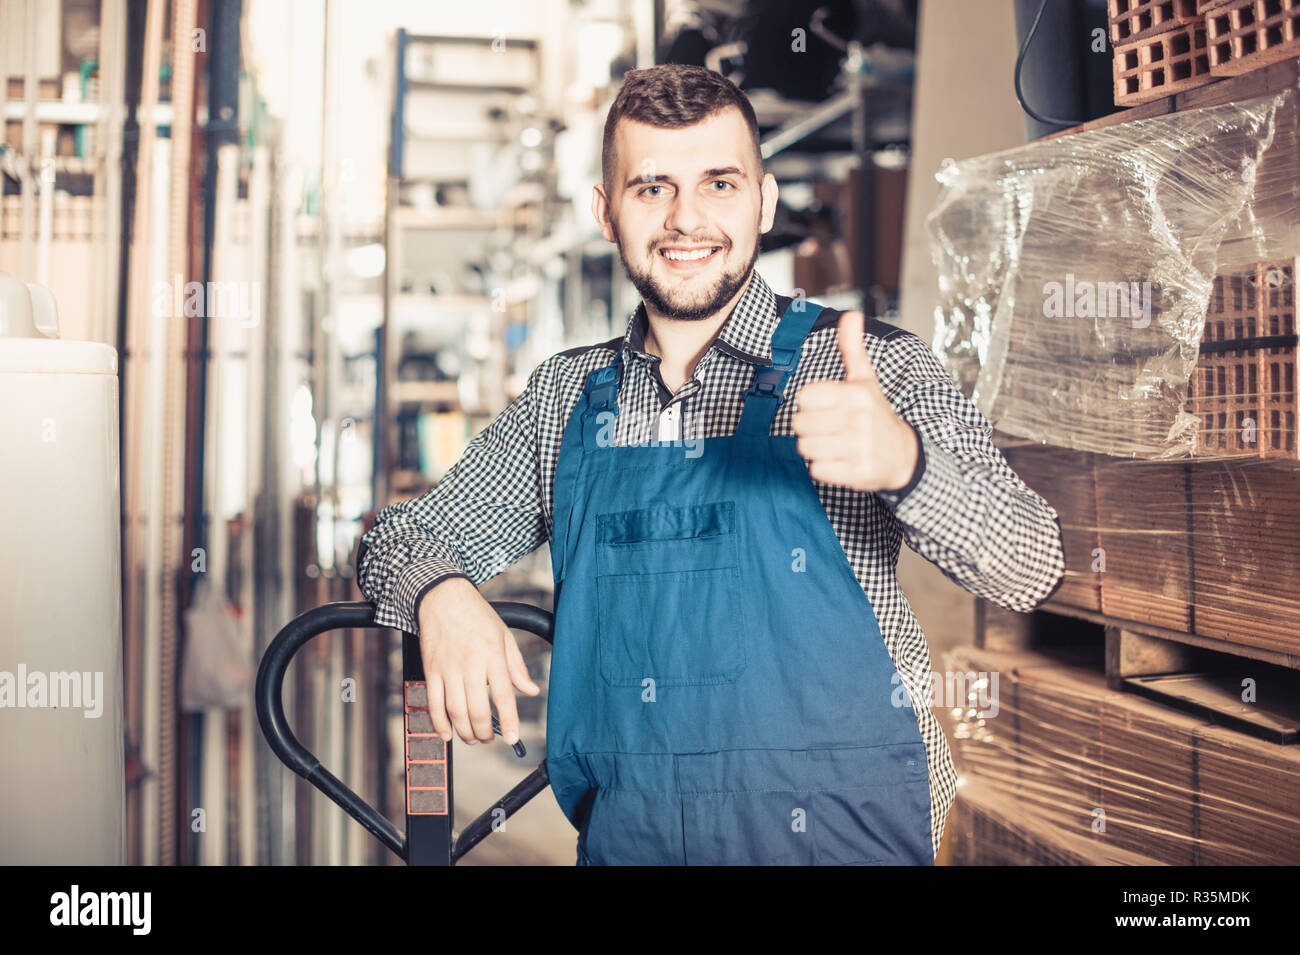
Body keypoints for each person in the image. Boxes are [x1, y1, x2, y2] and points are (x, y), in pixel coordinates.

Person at [356, 63, 1065, 865]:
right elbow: (400, 536)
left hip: (846, 843)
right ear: (605, 210)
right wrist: (441, 594)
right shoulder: (566, 399)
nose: (686, 219)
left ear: (763, 201)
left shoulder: (872, 369)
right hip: (635, 843)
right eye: (651, 187)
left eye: (719, 183)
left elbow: (1030, 565)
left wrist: (908, 466)